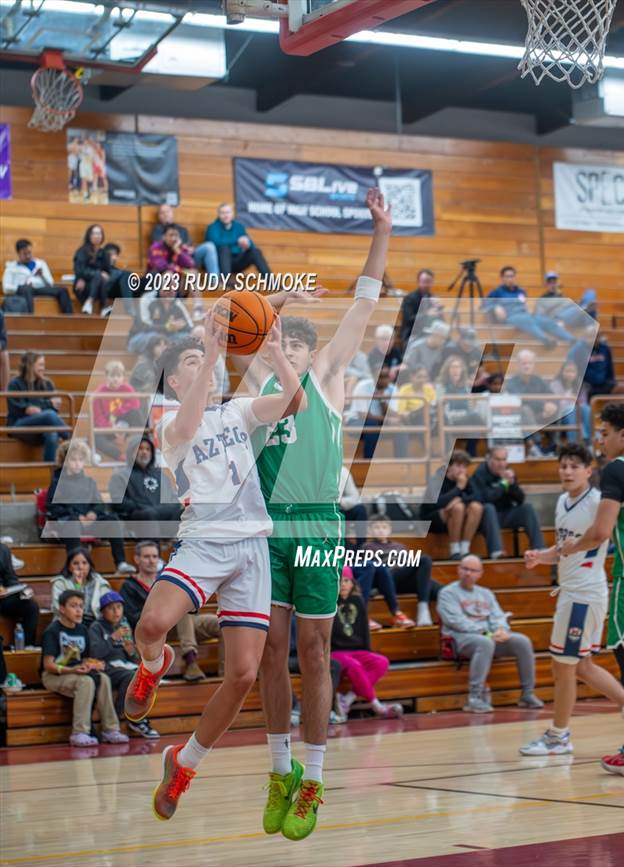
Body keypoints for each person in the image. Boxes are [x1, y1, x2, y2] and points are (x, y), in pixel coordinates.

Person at [232, 188, 392, 840]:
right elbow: (230, 324)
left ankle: (316, 779)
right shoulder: (256, 388)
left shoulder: (326, 376)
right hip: (269, 526)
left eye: (298, 346)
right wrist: (276, 305)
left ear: (310, 353)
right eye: (281, 344)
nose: (290, 352)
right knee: (271, 648)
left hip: (322, 522)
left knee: (315, 649)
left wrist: (380, 230)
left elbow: (366, 299)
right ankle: (280, 769)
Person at [123, 310, 304, 822]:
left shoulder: (238, 412)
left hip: (251, 548)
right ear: (175, 379)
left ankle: (184, 763)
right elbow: (186, 421)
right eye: (191, 360)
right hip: (204, 542)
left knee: (244, 674)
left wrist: (272, 353)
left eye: (205, 357)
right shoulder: (167, 423)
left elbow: (297, 401)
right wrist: (212, 352)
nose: (203, 362)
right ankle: (153, 666)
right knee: (153, 624)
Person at [520, 444, 624, 756]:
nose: (567, 471)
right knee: (582, 667)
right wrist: (539, 557)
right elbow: (564, 549)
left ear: (588, 470)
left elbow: (598, 537)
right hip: (571, 592)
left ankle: (558, 735)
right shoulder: (562, 501)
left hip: (583, 594)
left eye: (574, 466)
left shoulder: (597, 501)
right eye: (563, 466)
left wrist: (567, 550)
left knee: (563, 668)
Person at [559, 403, 624, 777]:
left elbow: (601, 532)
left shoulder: (620, 469)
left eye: (605, 432)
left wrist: (569, 548)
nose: (601, 439)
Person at [437, 555, 543, 712]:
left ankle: (527, 694)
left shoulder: (486, 593)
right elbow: (456, 622)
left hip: (489, 636)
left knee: (522, 641)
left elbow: (497, 616)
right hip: (460, 638)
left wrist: (501, 630)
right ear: (458, 570)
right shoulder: (447, 593)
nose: (468, 573)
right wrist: (486, 633)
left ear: (480, 574)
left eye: (473, 570)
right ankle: (475, 698)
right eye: (465, 569)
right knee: (485, 642)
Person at [120, 539, 219, 682]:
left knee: (220, 622)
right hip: (158, 630)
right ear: (136, 559)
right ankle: (191, 661)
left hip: (184, 625)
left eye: (154, 556)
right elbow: (134, 618)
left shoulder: (167, 580)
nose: (151, 560)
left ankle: (225, 673)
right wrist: (163, 610)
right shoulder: (129, 586)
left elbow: (193, 606)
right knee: (180, 610)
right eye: (146, 557)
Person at [41, 589, 129, 747]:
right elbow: (48, 665)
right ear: (61, 608)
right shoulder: (52, 631)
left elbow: (86, 658)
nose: (78, 610)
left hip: (76, 672)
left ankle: (110, 729)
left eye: (81, 606)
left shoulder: (82, 630)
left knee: (103, 678)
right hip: (54, 675)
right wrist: (73, 670)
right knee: (86, 682)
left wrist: (94, 664)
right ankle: (79, 732)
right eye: (73, 606)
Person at [45, 440, 133, 574]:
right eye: (73, 459)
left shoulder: (89, 482)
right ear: (64, 460)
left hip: (89, 522)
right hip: (68, 522)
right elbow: (53, 507)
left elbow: (98, 503)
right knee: (72, 524)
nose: (77, 463)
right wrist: (77, 516)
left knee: (113, 521)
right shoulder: (57, 482)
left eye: (80, 460)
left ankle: (120, 563)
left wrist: (93, 513)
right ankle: (74, 566)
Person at [332, 567, 403, 719]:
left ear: (352, 583)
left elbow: (364, 631)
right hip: (335, 651)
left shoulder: (358, 601)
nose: (343, 585)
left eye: (346, 581)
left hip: (356, 649)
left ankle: (347, 700)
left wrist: (368, 651)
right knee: (355, 666)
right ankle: (377, 706)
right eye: (339, 582)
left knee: (381, 662)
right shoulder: (329, 603)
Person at [89, 590, 159, 739]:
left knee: (145, 673)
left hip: (123, 665)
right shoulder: (97, 627)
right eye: (111, 608)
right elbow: (94, 653)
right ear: (103, 612)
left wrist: (131, 651)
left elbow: (133, 658)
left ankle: (137, 715)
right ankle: (125, 714)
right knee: (131, 676)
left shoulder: (125, 625)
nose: (116, 612)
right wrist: (112, 638)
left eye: (119, 607)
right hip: (106, 666)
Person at [362, 513, 439, 626]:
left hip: (404, 579)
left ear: (390, 529)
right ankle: (423, 610)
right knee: (424, 559)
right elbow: (370, 570)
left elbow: (409, 567)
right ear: (370, 530)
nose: (381, 530)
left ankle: (428, 610)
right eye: (377, 527)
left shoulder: (400, 546)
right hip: (387, 579)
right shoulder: (367, 547)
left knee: (438, 588)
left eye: (384, 527)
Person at [470, 445, 545, 555]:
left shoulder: (507, 473)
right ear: (489, 459)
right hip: (485, 520)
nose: (501, 464)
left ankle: (540, 549)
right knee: (488, 508)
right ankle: (496, 551)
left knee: (527, 509)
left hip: (505, 515)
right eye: (497, 459)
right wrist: (504, 484)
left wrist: (512, 484)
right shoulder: (479, 474)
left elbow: (520, 499)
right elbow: (486, 499)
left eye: (504, 460)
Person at [109, 436, 183, 541]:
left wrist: (163, 508)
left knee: (184, 511)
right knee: (148, 513)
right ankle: (154, 553)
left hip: (162, 515)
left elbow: (173, 499)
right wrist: (142, 507)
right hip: (136, 517)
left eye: (148, 449)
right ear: (131, 452)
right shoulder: (120, 475)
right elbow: (118, 502)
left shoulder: (161, 475)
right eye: (140, 448)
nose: (144, 452)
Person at [483, 266, 575, 349]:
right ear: (502, 278)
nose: (510, 279)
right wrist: (495, 307)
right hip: (511, 317)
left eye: (512, 276)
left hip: (526, 316)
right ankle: (546, 340)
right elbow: (484, 305)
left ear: (515, 277)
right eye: (507, 276)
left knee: (546, 321)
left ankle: (571, 339)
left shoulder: (521, 291)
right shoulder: (497, 292)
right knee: (527, 319)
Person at [420, 450, 487, 561]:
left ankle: (465, 550)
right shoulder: (437, 479)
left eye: (464, 467)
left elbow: (479, 498)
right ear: (449, 466)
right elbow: (436, 503)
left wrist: (459, 499)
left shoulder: (465, 479)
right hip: (431, 518)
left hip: (455, 517)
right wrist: (458, 489)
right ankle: (455, 550)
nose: (461, 470)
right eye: (458, 465)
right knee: (458, 508)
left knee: (476, 507)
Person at [7, 351, 68, 462]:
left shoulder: (47, 384)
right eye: (40, 365)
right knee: (48, 415)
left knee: (52, 435)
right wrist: (48, 404)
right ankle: (72, 440)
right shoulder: (14, 384)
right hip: (19, 426)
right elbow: (27, 410)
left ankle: (51, 475)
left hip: (42, 428)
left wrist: (40, 409)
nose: (43, 368)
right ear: (30, 365)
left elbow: (54, 409)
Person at [345, 365, 406, 459]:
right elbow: (363, 415)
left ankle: (402, 464)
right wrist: (388, 421)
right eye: (380, 376)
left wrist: (382, 401)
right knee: (372, 425)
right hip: (356, 422)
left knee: (401, 430)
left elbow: (395, 414)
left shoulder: (392, 389)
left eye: (386, 377)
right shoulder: (362, 386)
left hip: (380, 423)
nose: (383, 380)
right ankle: (370, 462)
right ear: (373, 376)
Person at [505, 349, 558, 456]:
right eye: (524, 363)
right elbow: (521, 399)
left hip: (540, 415)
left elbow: (552, 395)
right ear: (518, 365)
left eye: (530, 363)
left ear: (534, 365)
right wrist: (543, 405)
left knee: (556, 410)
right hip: (521, 417)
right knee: (525, 410)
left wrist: (553, 405)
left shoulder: (538, 380)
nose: (527, 366)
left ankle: (553, 446)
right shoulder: (511, 382)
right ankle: (537, 446)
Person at [2, 239, 72, 314]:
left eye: (29, 253)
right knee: (26, 289)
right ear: (18, 253)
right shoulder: (11, 268)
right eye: (25, 254)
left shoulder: (40, 264)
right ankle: (30, 318)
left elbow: (51, 283)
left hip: (40, 288)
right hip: (23, 290)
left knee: (63, 291)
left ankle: (69, 318)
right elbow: (6, 288)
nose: (28, 256)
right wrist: (20, 286)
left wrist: (42, 276)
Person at [92, 360, 143, 462]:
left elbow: (135, 404)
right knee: (96, 436)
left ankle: (139, 446)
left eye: (119, 376)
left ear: (123, 377)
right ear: (106, 376)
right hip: (108, 426)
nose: (115, 379)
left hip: (125, 424)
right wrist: (112, 429)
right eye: (112, 376)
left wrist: (118, 412)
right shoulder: (99, 392)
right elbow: (98, 417)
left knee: (136, 413)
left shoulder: (127, 388)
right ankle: (120, 456)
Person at [436, 354, 485, 457]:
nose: (456, 370)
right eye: (453, 367)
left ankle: (470, 453)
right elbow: (441, 409)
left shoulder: (467, 387)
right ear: (447, 370)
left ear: (462, 370)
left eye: (458, 367)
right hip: (449, 420)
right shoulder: (440, 387)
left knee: (475, 421)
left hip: (465, 420)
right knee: (475, 419)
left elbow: (471, 408)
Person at [205, 203, 270, 279]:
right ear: (218, 215)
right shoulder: (212, 227)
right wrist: (236, 241)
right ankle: (226, 280)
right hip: (221, 262)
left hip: (237, 260)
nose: (226, 215)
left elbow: (251, 244)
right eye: (223, 213)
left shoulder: (239, 226)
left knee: (255, 251)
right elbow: (215, 242)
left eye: (228, 212)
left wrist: (247, 243)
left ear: (232, 214)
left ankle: (270, 280)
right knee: (224, 248)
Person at [151, 204, 219, 275]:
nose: (165, 214)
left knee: (209, 246)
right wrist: (179, 247)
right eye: (162, 213)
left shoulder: (181, 229)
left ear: (172, 212)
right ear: (159, 216)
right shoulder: (157, 231)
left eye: (167, 211)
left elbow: (190, 244)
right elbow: (163, 247)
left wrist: (191, 248)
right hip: (174, 260)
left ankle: (214, 281)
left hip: (187, 257)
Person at [51, 546, 112, 625]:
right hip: (69, 623)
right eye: (75, 563)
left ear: (89, 566)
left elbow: (107, 608)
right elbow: (59, 609)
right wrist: (77, 586)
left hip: (95, 623)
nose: (80, 567)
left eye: (84, 563)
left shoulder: (100, 583)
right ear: (69, 567)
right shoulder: (60, 583)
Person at [568, 329, 624, 402]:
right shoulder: (579, 349)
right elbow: (576, 370)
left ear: (599, 337)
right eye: (590, 336)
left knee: (621, 387)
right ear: (585, 337)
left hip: (604, 383)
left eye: (595, 336)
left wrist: (611, 381)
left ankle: (609, 410)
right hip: (587, 385)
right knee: (580, 391)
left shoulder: (605, 349)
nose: (593, 339)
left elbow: (610, 369)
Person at [0, 541, 39, 647]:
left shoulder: (3, 550)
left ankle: (27, 647)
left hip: (3, 598)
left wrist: (21, 590)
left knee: (31, 606)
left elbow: (11, 579)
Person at [72, 224, 112, 315]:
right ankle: (103, 306)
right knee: (99, 275)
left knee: (101, 279)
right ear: (89, 236)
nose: (97, 236)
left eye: (99, 233)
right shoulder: (82, 251)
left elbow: (108, 271)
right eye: (94, 233)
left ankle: (90, 302)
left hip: (99, 287)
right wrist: (83, 278)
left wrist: (103, 275)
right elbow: (79, 270)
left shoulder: (104, 253)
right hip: (83, 286)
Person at [399, 269, 444, 347]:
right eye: (424, 281)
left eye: (429, 282)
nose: (427, 284)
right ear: (418, 281)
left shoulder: (432, 298)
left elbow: (441, 321)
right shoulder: (409, 298)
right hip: (412, 334)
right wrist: (427, 314)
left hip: (429, 335)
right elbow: (409, 319)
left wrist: (439, 311)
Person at [550, 360, 592, 443]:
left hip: (578, 413)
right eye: (567, 371)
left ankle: (590, 443)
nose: (570, 374)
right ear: (562, 372)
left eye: (572, 371)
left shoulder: (580, 385)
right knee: (571, 409)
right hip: (560, 415)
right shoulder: (555, 385)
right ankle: (574, 443)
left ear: (576, 373)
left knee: (587, 409)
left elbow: (583, 403)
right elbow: (558, 404)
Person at [338, 465, 367, 548]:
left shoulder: (342, 471)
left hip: (339, 508)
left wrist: (339, 502)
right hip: (322, 511)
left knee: (360, 510)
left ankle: (362, 547)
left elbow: (354, 497)